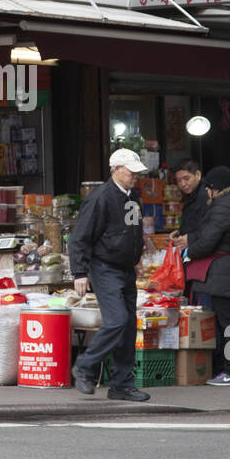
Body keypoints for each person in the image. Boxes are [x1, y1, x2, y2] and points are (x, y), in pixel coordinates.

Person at [69, 148, 150, 402]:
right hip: (104, 268)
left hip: (126, 269)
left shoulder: (132, 197)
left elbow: (133, 229)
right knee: (116, 320)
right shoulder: (100, 198)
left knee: (127, 326)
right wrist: (79, 272)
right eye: (131, 172)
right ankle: (84, 365)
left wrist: (138, 255)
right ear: (116, 170)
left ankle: (121, 384)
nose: (135, 176)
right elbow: (79, 237)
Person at [176, 165, 230, 386]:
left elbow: (208, 240)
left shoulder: (222, 208)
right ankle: (227, 368)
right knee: (226, 320)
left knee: (227, 321)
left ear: (213, 189)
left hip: (219, 269)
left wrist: (190, 252)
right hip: (226, 266)